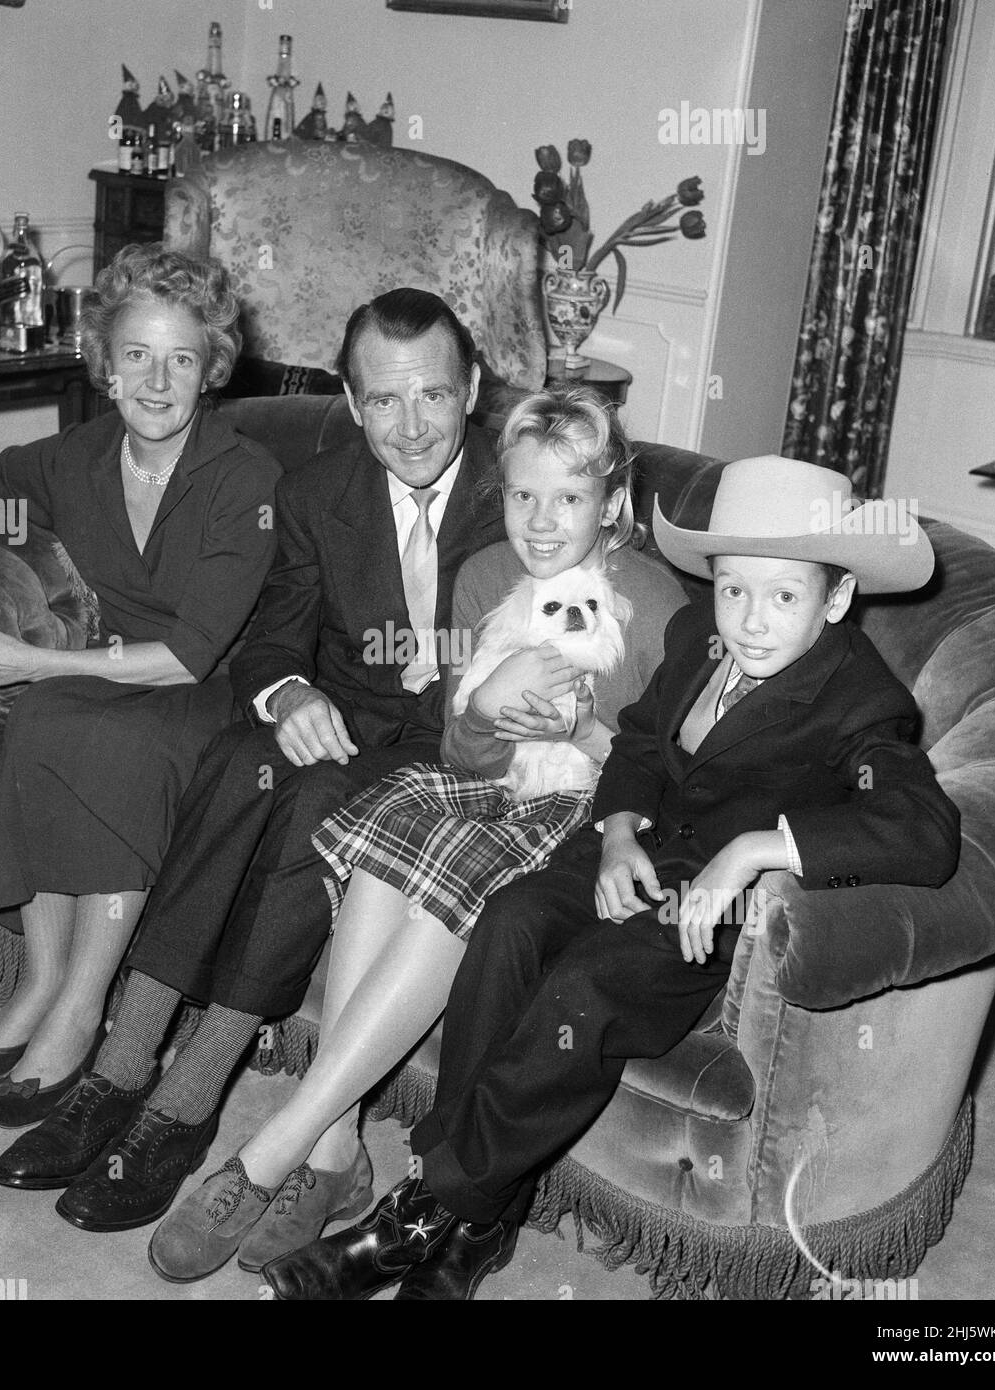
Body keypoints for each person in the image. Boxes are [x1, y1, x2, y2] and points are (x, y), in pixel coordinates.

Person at [263, 454, 964, 1301]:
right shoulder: (696, 638)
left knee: (586, 987)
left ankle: (420, 1214)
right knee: (510, 919)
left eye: (785, 596)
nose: (751, 621)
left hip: (702, 913)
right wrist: (622, 829)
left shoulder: (862, 697)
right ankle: (481, 1222)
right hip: (627, 853)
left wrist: (753, 852)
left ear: (837, 598)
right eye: (733, 590)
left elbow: (926, 831)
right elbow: (635, 742)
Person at [139, 386, 689, 1283]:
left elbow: (671, 768)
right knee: (389, 837)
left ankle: (277, 1147)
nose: (541, 522)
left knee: (448, 879)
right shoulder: (483, 578)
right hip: (485, 780)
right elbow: (458, 751)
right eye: (523, 495)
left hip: (583, 804)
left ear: (612, 503)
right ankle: (338, 1148)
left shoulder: (656, 603)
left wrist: (582, 730)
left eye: (569, 498)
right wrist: (488, 708)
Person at [0, 288, 507, 1229]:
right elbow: (273, 640)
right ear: (350, 403)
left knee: (311, 805)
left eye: (433, 395)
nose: (410, 426)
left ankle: (188, 1099)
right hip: (342, 718)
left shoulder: (522, 491)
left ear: (471, 388)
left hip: (459, 747)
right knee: (238, 761)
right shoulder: (316, 492)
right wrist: (291, 694)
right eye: (383, 400)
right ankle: (121, 1067)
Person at [0, 243, 280, 1129]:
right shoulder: (79, 456)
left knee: (110, 738)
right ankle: (39, 985)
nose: (157, 380)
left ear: (211, 370)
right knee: (42, 721)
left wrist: (33, 659)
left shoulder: (244, 478)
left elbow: (189, 657)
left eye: (181, 359)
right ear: (106, 364)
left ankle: (82, 1007)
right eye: (137, 354)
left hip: (216, 687)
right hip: (113, 667)